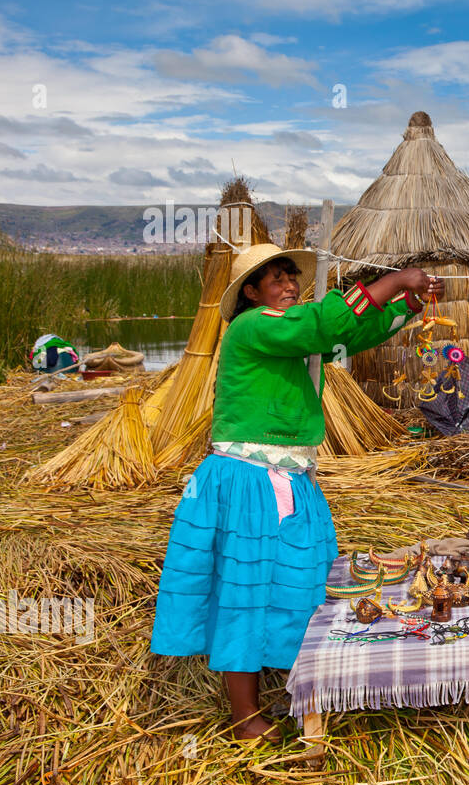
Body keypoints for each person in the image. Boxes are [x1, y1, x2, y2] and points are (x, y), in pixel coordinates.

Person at [150, 241, 443, 742]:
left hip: (290, 478)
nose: (289, 285)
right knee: (246, 589)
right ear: (250, 291)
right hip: (248, 481)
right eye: (276, 279)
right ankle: (244, 716)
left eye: (291, 277)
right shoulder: (253, 326)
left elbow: (346, 335)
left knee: (299, 581)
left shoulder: (291, 333)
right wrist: (394, 280)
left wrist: (408, 304)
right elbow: (323, 324)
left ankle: (298, 687)